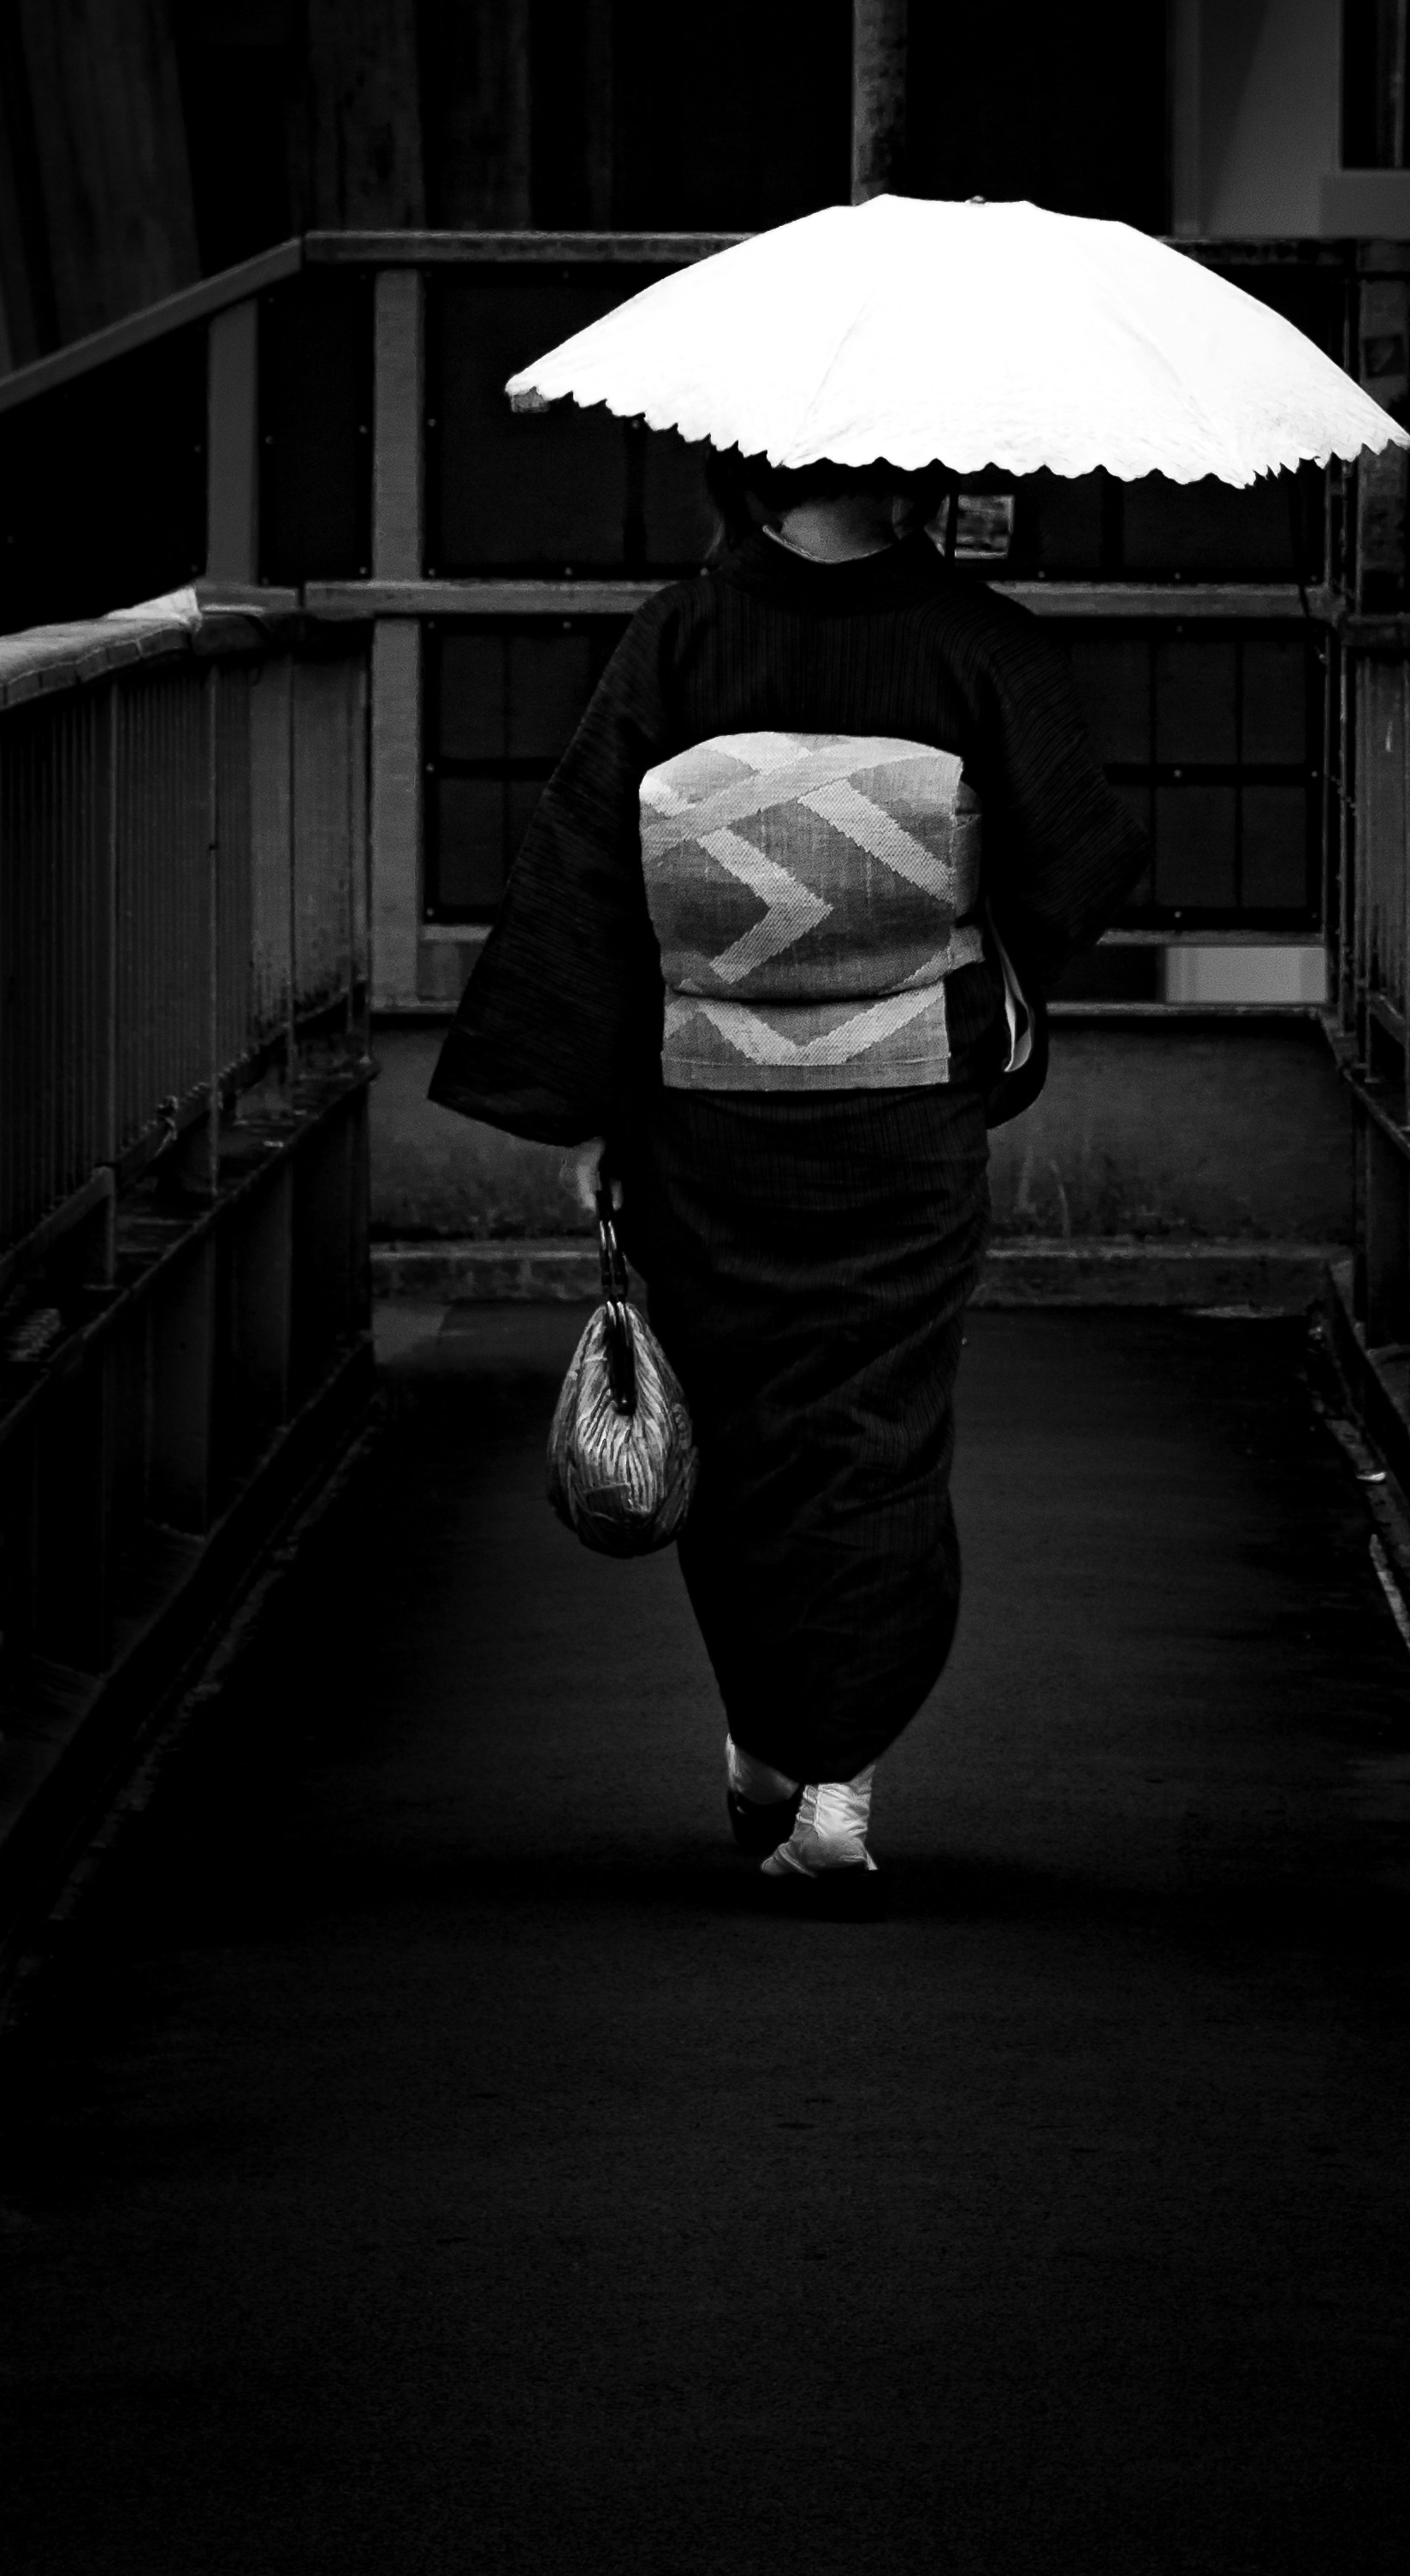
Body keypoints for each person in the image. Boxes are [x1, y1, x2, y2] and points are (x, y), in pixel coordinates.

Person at [429, 454, 1145, 1885]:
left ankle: (768, 1737)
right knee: (873, 1428)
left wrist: (592, 1111)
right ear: (918, 468)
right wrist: (944, 932)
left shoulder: (680, 639)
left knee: (740, 1429)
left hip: (709, 1110)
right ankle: (834, 1790)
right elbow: (1081, 863)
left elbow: (586, 881)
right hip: (902, 1112)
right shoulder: (979, 643)